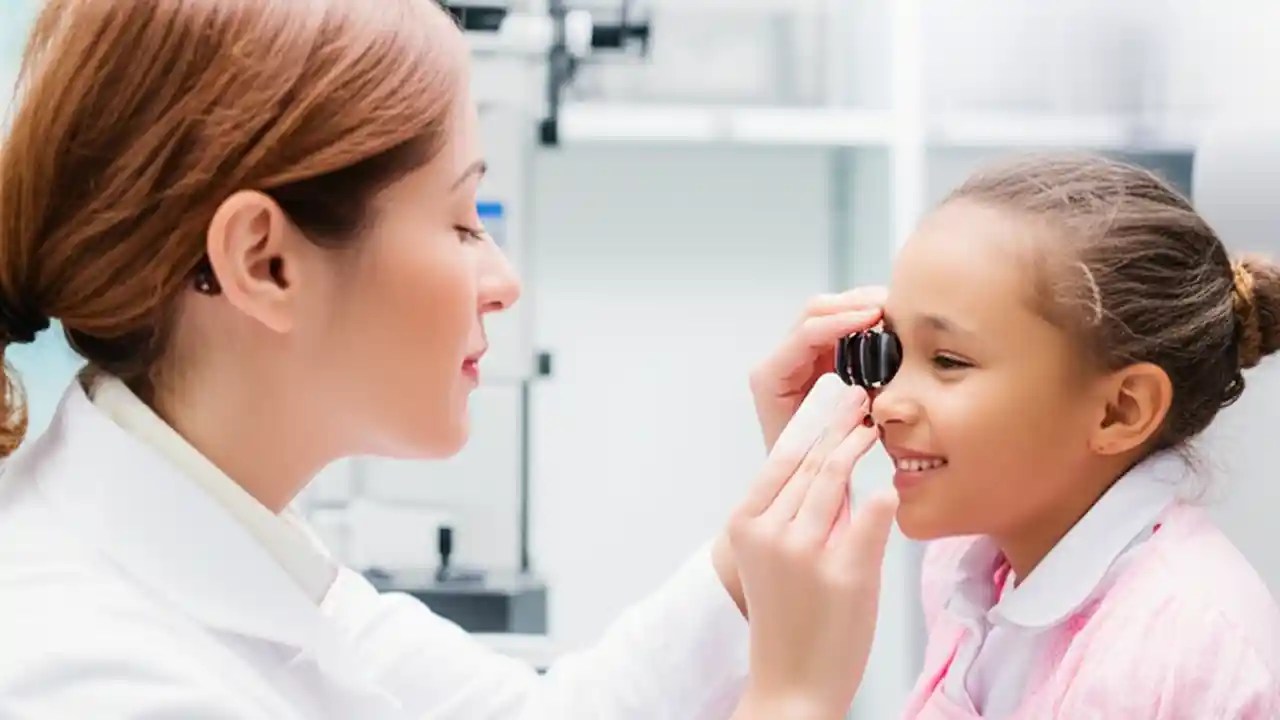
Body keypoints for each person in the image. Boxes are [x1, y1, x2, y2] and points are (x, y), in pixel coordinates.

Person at [0, 2, 901, 719]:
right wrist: (792, 699)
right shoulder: (81, 671)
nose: (503, 282)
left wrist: (767, 541)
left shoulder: (235, 541)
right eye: (463, 221)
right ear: (264, 263)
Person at [875, 154, 1280, 718]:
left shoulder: (1189, 646)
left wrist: (798, 688)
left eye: (947, 359)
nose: (886, 402)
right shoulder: (965, 569)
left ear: (1120, 410)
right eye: (890, 351)